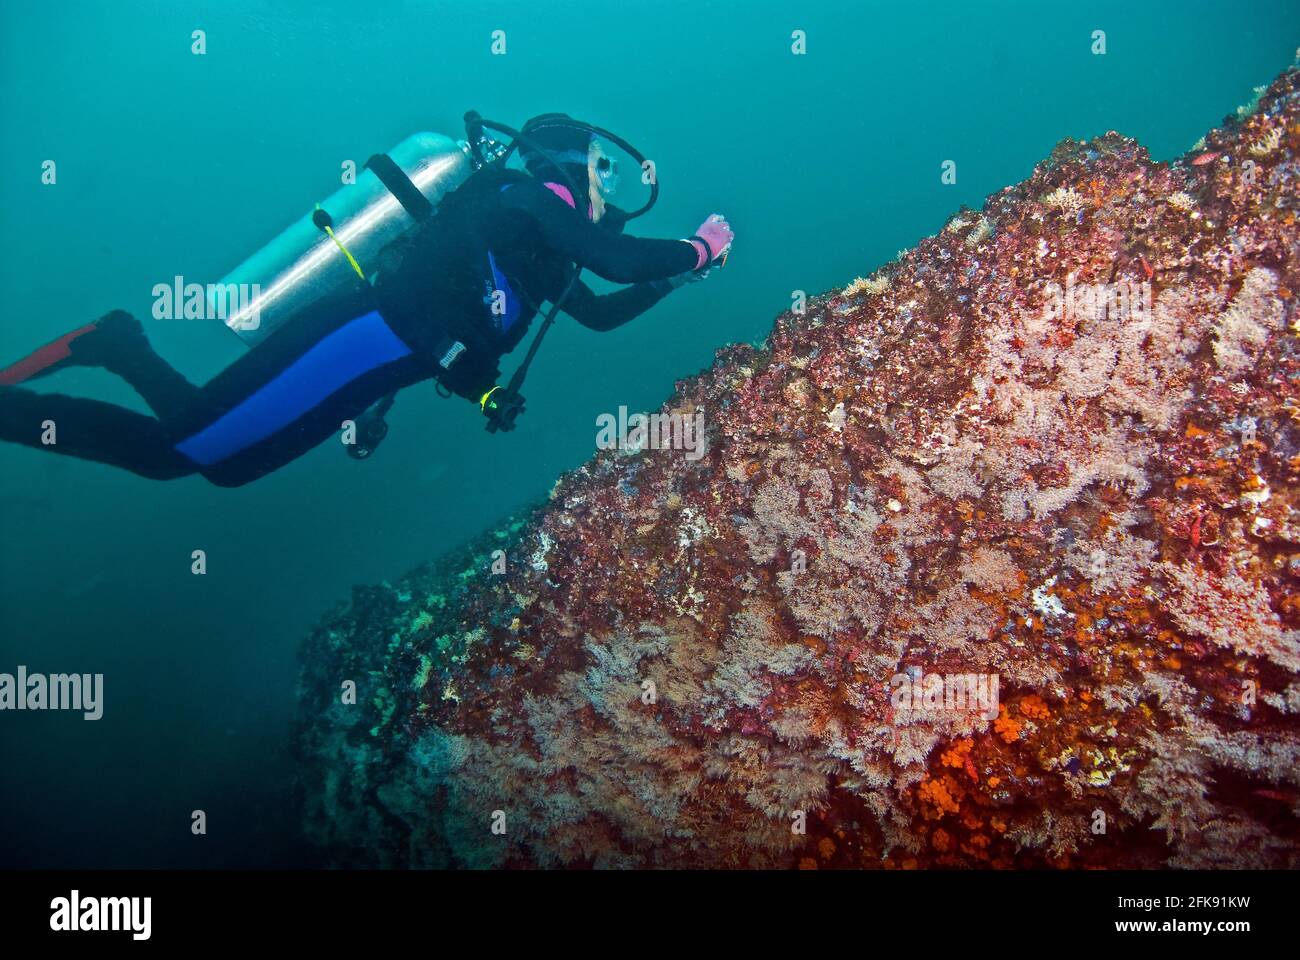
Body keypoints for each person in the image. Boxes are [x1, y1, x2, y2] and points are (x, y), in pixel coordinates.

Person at [0, 114, 734, 487]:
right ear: (570, 161)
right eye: (605, 170)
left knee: (220, 464)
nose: (612, 189)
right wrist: (696, 248)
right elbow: (619, 258)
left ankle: (119, 347)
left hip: (372, 366)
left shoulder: (539, 255)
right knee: (184, 452)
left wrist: (677, 279)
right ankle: (95, 357)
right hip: (351, 337)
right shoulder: (524, 199)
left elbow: (602, 310)